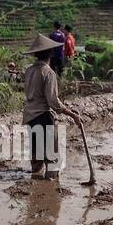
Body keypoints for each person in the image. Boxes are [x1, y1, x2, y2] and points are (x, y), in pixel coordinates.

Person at [23, 34, 82, 179]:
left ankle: (35, 191)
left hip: (30, 117)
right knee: (52, 160)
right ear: (50, 53)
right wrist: (72, 114)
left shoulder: (29, 70)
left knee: (36, 157)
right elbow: (52, 101)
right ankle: (50, 195)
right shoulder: (48, 72)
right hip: (43, 117)